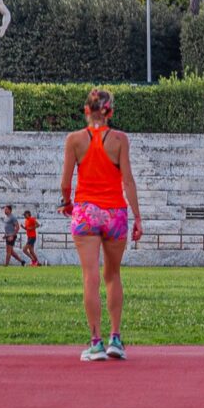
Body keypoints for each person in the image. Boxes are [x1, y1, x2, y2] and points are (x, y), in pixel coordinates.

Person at [60, 88, 143, 362]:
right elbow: (127, 180)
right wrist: (137, 216)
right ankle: (115, 338)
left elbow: (65, 183)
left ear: (87, 110)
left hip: (86, 211)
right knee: (113, 275)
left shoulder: (74, 140)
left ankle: (95, 342)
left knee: (90, 277)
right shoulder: (120, 140)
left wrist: (67, 202)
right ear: (110, 112)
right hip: (114, 212)